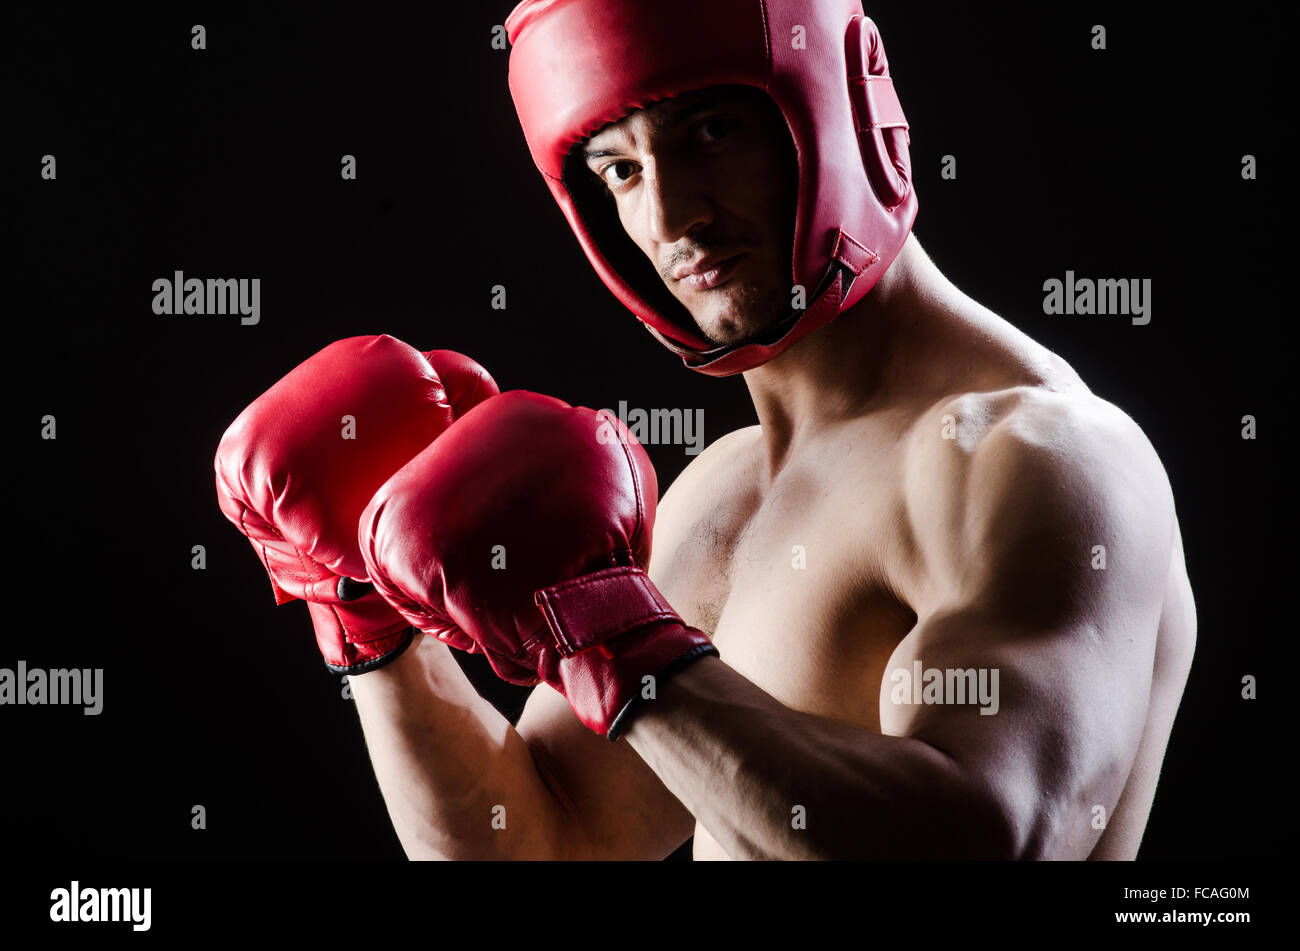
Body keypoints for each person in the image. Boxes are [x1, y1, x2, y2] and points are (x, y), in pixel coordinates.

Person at [218, 0, 1196, 860]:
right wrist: (366, 618)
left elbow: (985, 839)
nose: (672, 214)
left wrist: (621, 650)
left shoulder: (1032, 457)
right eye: (619, 166)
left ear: (841, 108)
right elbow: (548, 845)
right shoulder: (719, 494)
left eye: (712, 131)